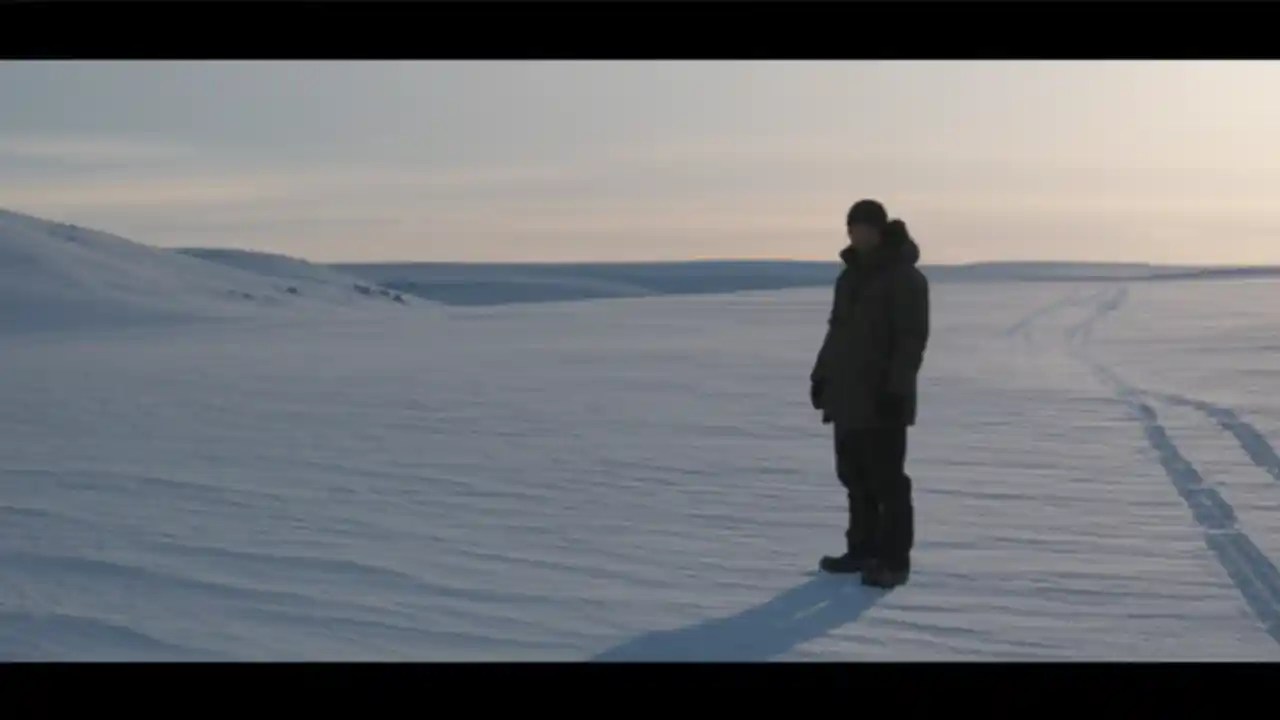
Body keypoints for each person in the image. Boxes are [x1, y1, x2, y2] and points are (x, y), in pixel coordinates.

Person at [809, 199, 929, 588]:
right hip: (848, 395)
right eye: (851, 228)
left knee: (888, 481)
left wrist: (896, 391)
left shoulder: (904, 279)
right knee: (854, 476)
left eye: (861, 228)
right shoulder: (850, 278)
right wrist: (821, 375)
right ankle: (861, 550)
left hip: (882, 397)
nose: (855, 235)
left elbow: (911, 342)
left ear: (879, 230)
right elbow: (837, 331)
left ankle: (893, 561)